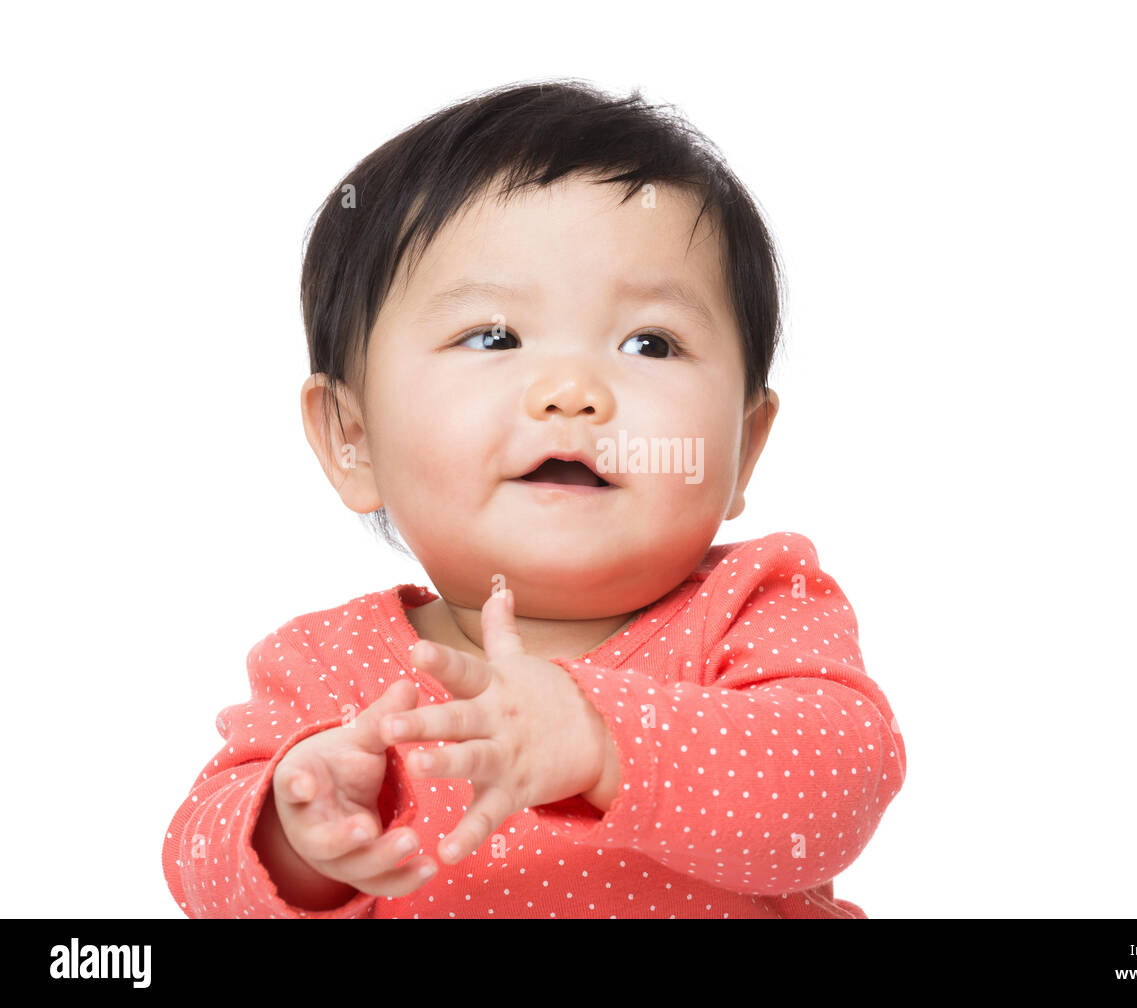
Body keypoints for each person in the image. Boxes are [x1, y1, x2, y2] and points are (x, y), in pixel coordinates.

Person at [161, 78, 906, 918]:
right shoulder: (329, 673)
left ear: (744, 449)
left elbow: (837, 789)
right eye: (493, 336)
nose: (571, 391)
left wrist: (602, 736)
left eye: (650, 343)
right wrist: (293, 839)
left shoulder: (753, 612)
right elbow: (197, 863)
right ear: (352, 436)